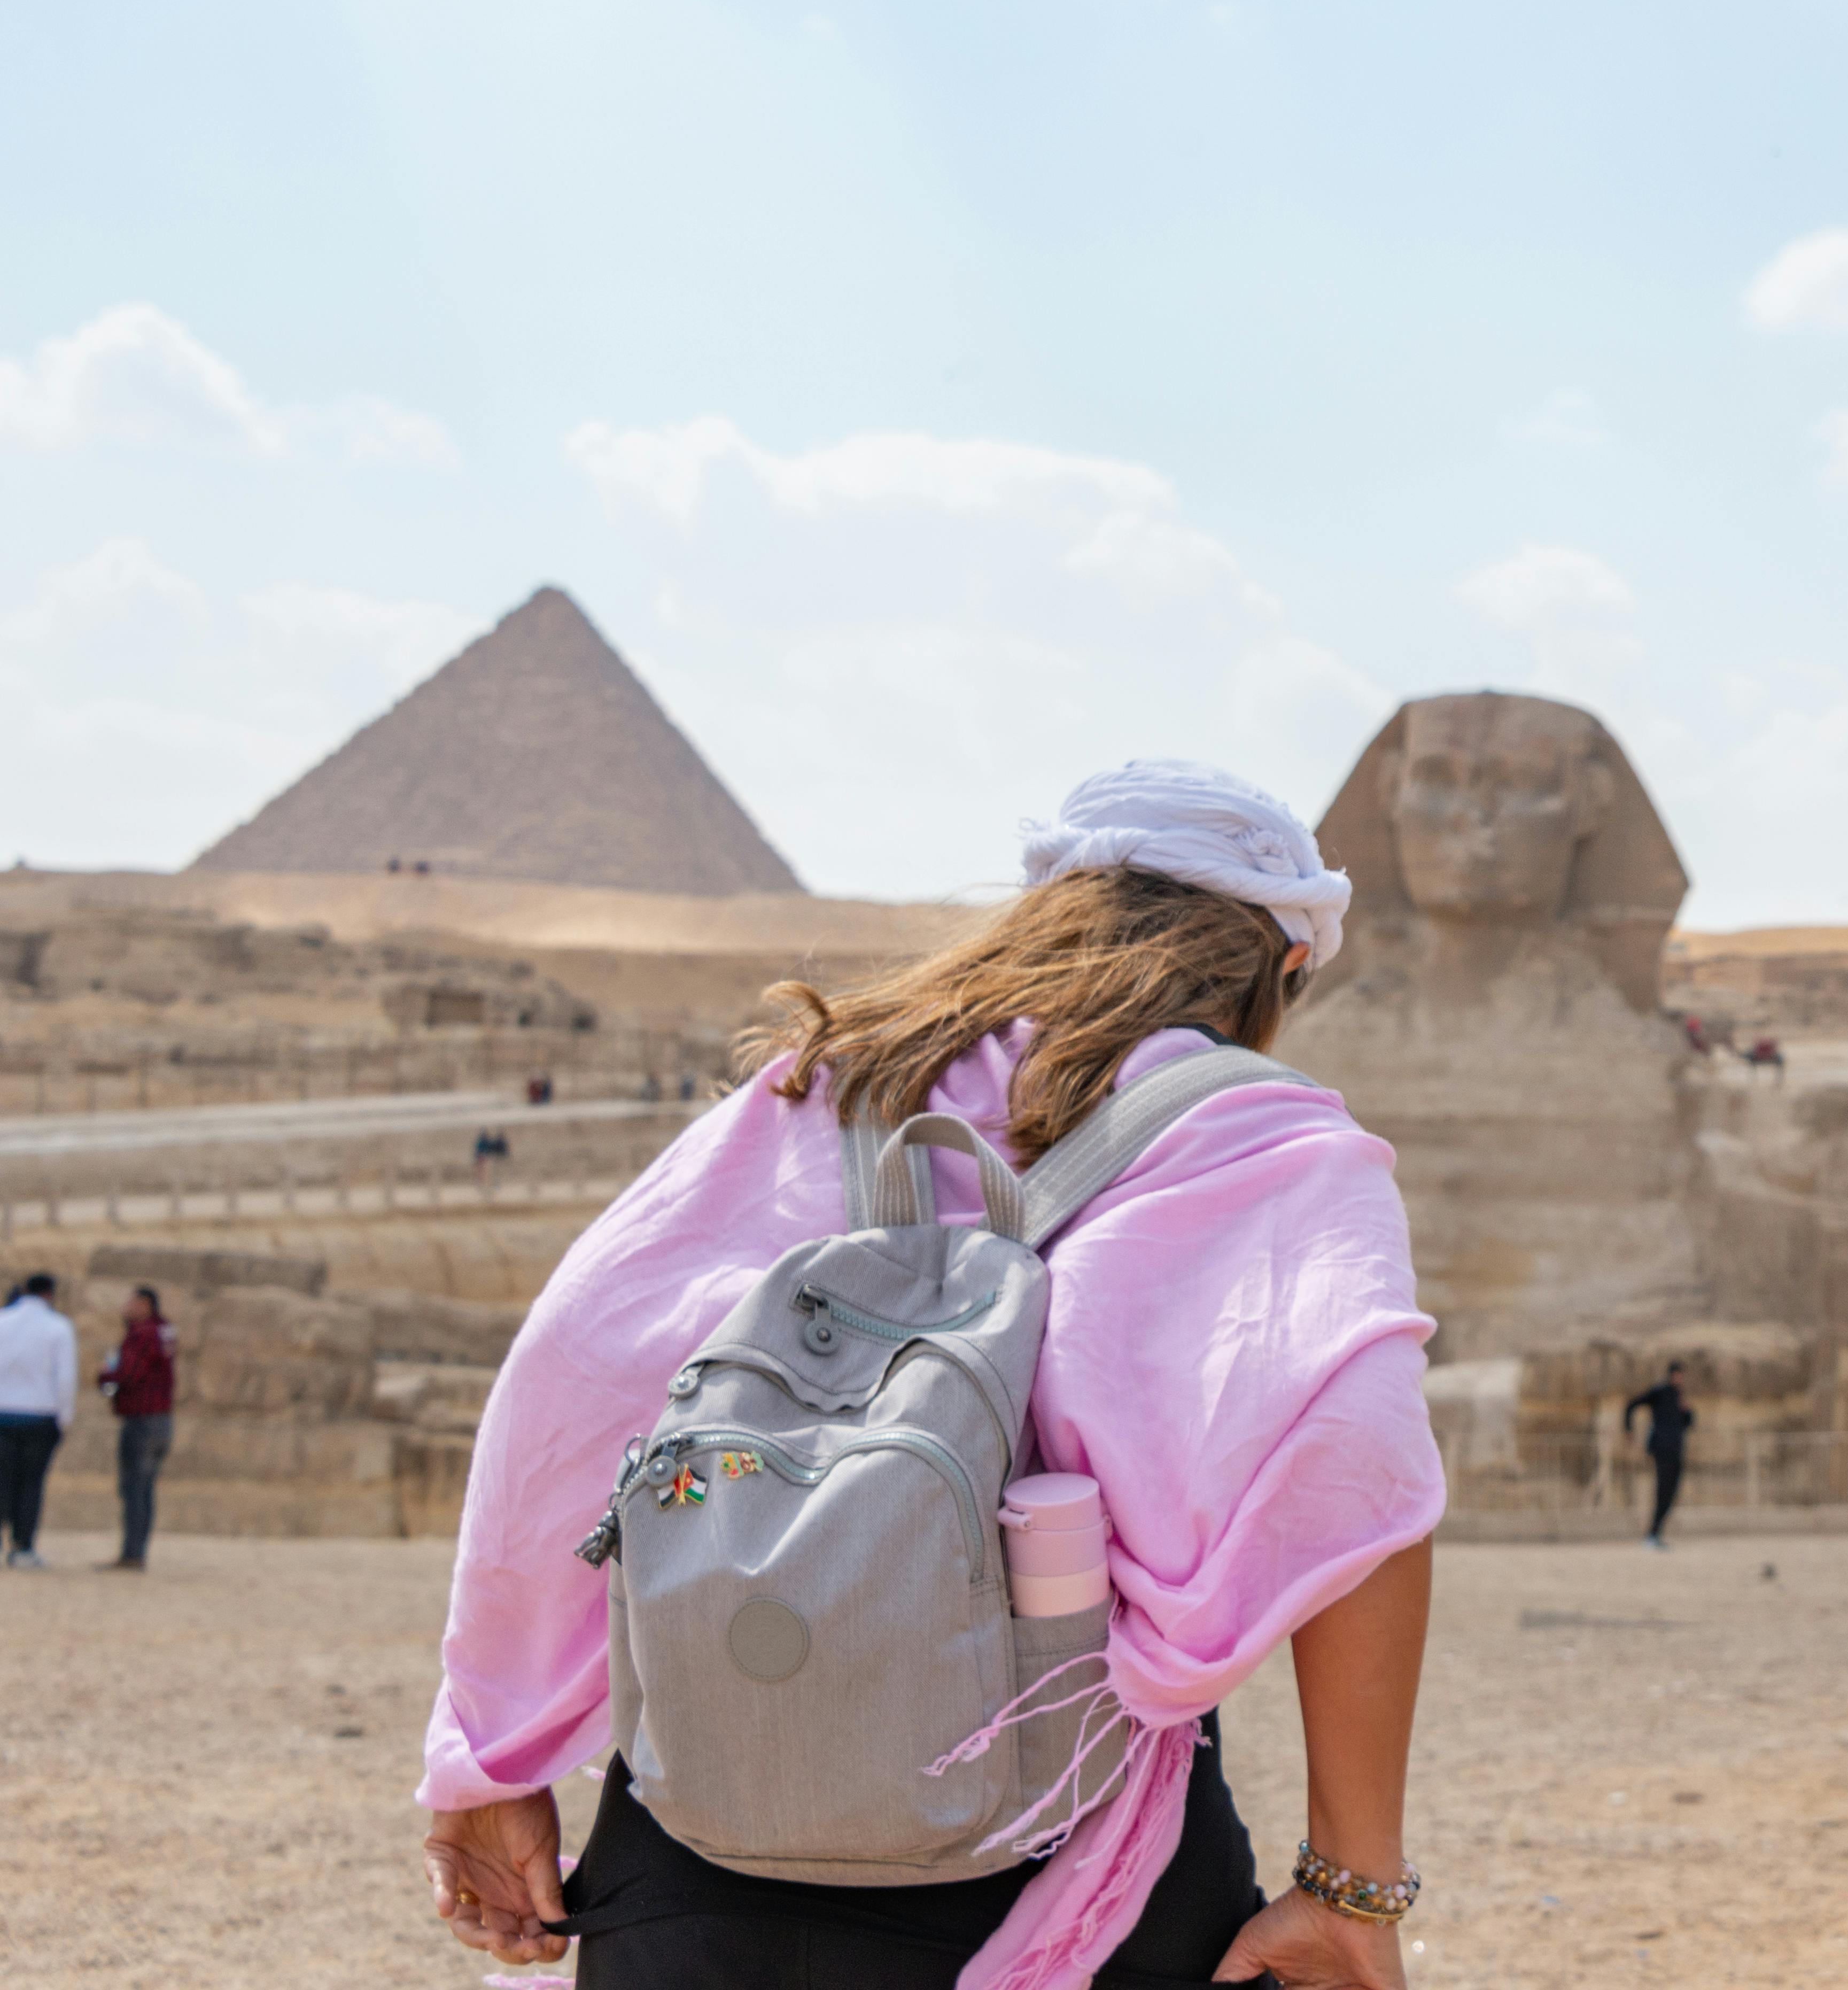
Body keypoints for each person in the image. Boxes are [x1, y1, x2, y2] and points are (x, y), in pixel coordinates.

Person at [415, 758, 1444, 1990]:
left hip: (696, 1845)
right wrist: (1348, 1886)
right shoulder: (1259, 1139)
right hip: (1058, 1862)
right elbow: (1357, 1468)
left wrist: (491, 1759)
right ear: (1284, 967)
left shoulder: (817, 1089)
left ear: (1045, 905)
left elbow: (568, 1379)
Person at [99, 1284, 175, 1569]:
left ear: (144, 1304)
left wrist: (106, 1378)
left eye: (130, 1302)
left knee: (134, 1488)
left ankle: (132, 1553)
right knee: (144, 1488)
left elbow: (126, 1373)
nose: (125, 1308)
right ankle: (136, 1550)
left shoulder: (143, 1334)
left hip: (143, 1419)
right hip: (160, 1419)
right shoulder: (163, 1331)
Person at [0, 1271, 71, 1569]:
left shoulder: (3, 1322)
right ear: (50, 1294)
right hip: (40, 1416)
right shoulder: (59, 1327)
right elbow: (66, 1378)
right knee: (31, 1484)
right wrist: (64, 1419)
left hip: (3, 1413)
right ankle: (23, 1546)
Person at [1621, 1360, 1694, 1552]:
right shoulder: (1660, 1391)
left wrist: (1687, 1412)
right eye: (1678, 1374)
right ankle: (1652, 1535)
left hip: (1677, 1449)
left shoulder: (1679, 1397)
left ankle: (1655, 1534)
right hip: (1662, 1449)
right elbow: (1631, 1405)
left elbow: (1687, 1424)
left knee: (1672, 1492)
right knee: (1663, 1490)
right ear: (1672, 1375)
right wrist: (1629, 1430)